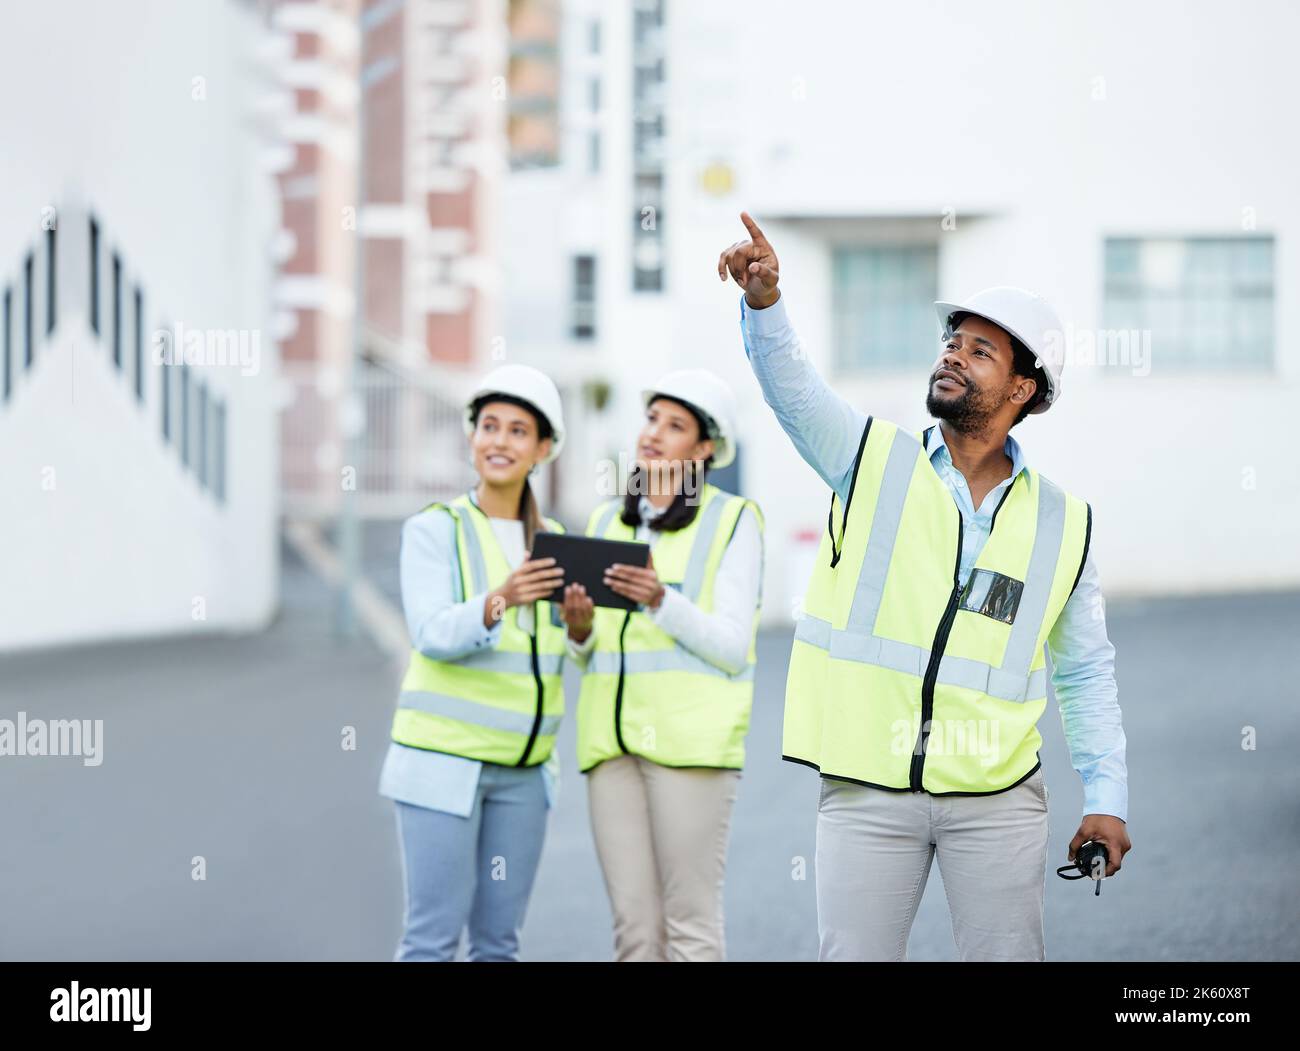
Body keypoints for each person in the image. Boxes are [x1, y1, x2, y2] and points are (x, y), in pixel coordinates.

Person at [717, 211, 1131, 962]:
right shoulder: (868, 456)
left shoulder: (1064, 522)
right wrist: (765, 302)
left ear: (1023, 388)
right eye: (951, 341)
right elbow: (792, 391)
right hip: (868, 788)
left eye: (980, 350)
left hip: (999, 797)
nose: (953, 355)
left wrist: (1106, 796)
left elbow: (1084, 669)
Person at [378, 364, 589, 962]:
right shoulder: (433, 530)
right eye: (489, 426)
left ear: (542, 449)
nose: (499, 441)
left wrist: (579, 628)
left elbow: (562, 650)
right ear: (472, 437)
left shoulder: (557, 541)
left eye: (518, 431)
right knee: (431, 941)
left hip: (523, 773)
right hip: (443, 764)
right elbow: (432, 633)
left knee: (498, 946)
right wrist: (504, 596)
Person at [563, 369, 765, 962]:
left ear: (704, 449)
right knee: (634, 933)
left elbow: (731, 646)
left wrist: (659, 599)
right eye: (652, 418)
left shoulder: (733, 520)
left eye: (674, 425)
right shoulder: (604, 522)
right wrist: (577, 630)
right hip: (610, 750)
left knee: (690, 929)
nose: (654, 433)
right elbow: (590, 647)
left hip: (690, 750)